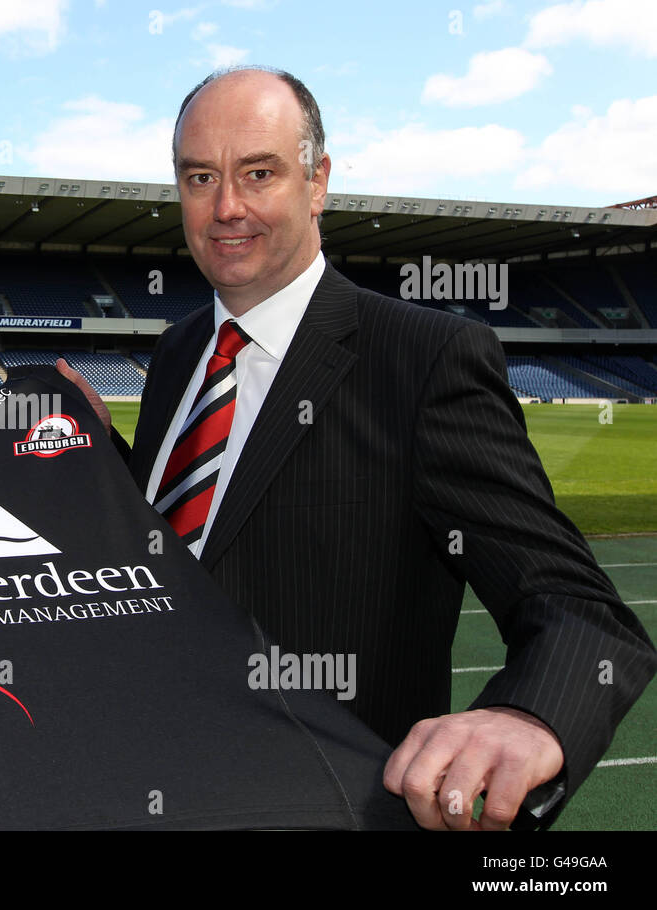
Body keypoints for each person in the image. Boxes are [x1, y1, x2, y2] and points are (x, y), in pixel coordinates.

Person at [64, 66, 656, 830]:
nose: (226, 207)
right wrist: (104, 452)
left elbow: (578, 607)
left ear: (318, 182)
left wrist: (527, 717)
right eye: (200, 176)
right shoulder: (178, 355)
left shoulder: (423, 359)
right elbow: (194, 533)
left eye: (259, 172)